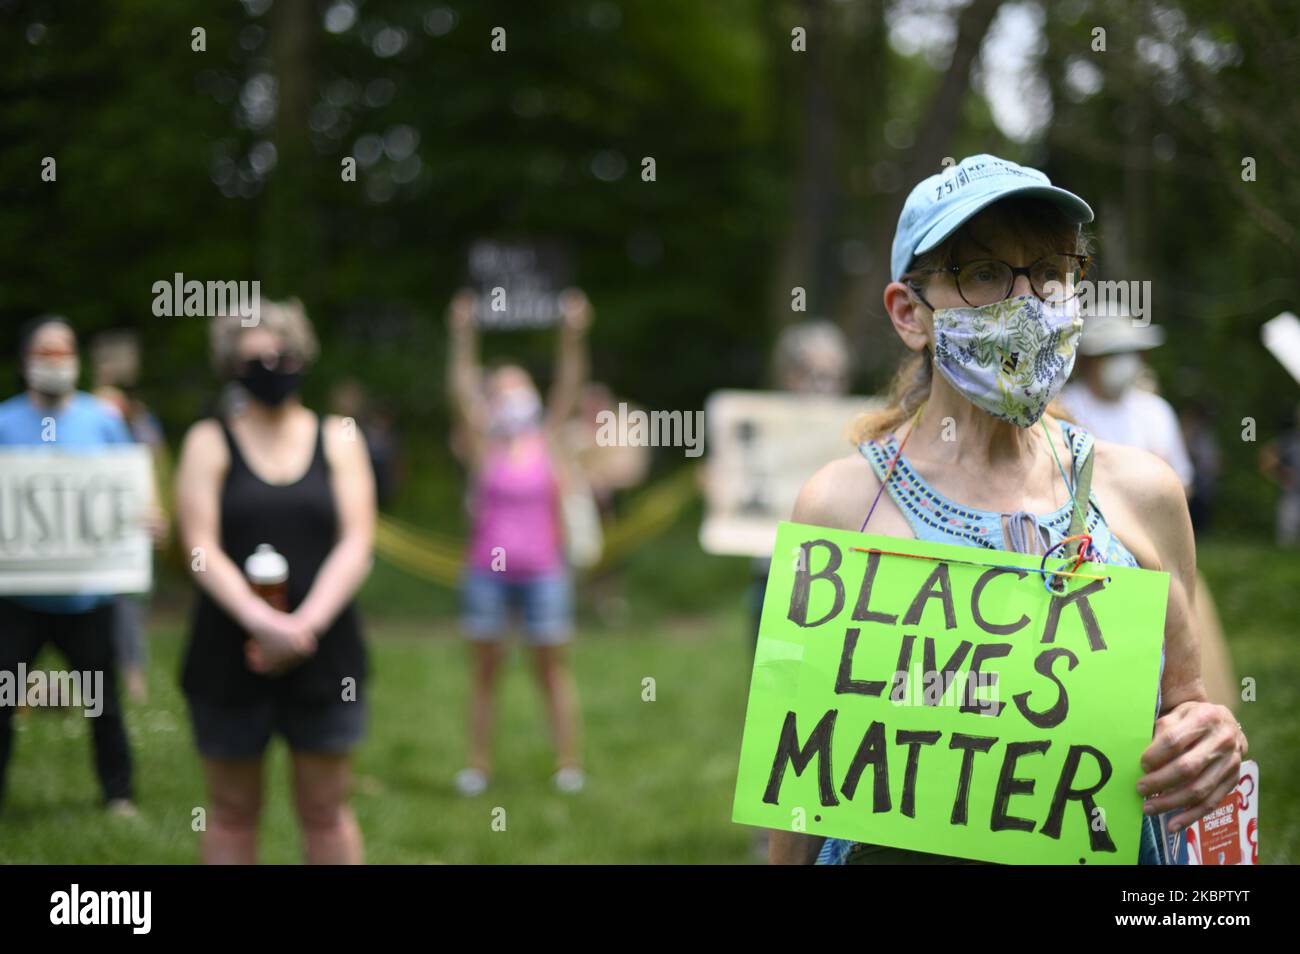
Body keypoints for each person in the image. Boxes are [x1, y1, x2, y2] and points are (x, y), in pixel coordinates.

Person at [771, 155, 1247, 865]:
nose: (1028, 302)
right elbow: (803, 776)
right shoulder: (842, 507)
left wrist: (1210, 737)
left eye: (1051, 272)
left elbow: (1188, 703)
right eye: (985, 273)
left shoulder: (1141, 493)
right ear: (910, 314)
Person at [174, 299, 375, 864]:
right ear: (231, 366)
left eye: (282, 355)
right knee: (233, 814)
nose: (272, 367)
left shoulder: (339, 438)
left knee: (326, 811)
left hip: (326, 649)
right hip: (228, 649)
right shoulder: (208, 442)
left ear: (303, 357)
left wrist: (303, 626)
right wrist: (262, 622)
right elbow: (198, 548)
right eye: (255, 358)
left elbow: (357, 544)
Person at [446, 286, 590, 797]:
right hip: (486, 573)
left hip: (544, 573)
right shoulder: (484, 445)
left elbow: (570, 384)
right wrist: (463, 334)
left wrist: (572, 335)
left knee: (551, 671)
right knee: (486, 674)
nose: (511, 396)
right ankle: (478, 766)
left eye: (517, 386)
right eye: (500, 388)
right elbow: (461, 386)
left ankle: (568, 764)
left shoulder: (547, 440)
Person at [1060, 313, 1237, 713]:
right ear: (1088, 359)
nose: (1123, 362)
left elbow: (1182, 480)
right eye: (1112, 354)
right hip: (1085, 562)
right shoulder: (1065, 408)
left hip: (1158, 560)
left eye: (1129, 352)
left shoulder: (1155, 411)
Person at [0, 317, 141, 815]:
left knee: (103, 701)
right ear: (25, 360)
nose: (55, 360)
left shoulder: (103, 419)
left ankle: (118, 793)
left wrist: (145, 521)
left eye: (64, 351)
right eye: (45, 351)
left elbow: (128, 489)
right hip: (19, 598)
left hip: (88, 595)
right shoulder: (4, 422)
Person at [1260, 402, 1300, 547]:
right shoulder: (1289, 440)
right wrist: (1282, 474)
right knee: (1287, 543)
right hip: (1292, 496)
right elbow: (1266, 458)